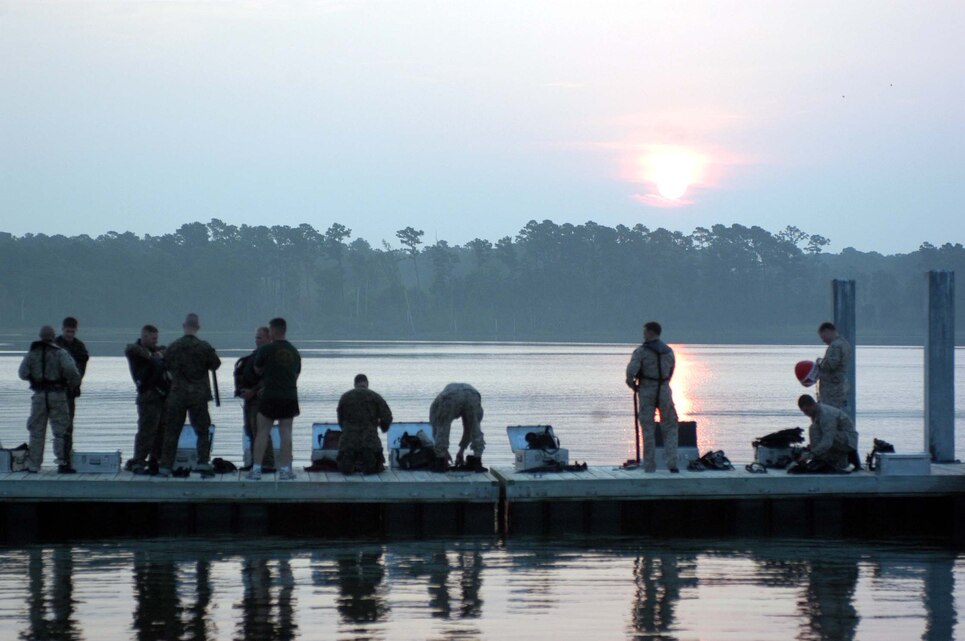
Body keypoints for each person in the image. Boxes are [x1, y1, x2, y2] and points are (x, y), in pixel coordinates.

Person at [157, 313, 221, 478]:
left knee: (171, 431)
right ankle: (202, 462)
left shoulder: (172, 347)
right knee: (202, 430)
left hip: (177, 394)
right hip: (198, 395)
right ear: (198, 327)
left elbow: (164, 365)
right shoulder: (204, 347)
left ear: (183, 325)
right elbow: (216, 364)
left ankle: (165, 466)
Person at [18, 326, 81, 473]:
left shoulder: (32, 353)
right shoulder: (60, 353)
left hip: (39, 395)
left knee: (36, 431)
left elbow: (22, 373)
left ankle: (34, 465)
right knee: (60, 430)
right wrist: (72, 384)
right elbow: (72, 371)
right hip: (57, 394)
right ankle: (62, 462)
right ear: (53, 337)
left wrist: (34, 378)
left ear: (40, 336)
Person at [248, 317, 301, 481]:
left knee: (262, 432)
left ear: (273, 331)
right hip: (289, 395)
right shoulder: (294, 351)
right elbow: (296, 374)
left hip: (270, 395)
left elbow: (257, 370)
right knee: (286, 433)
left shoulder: (266, 349)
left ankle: (256, 469)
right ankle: (285, 470)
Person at [625, 321, 680, 473]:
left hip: (647, 389)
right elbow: (670, 372)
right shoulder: (669, 351)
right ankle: (672, 464)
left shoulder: (641, 352)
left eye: (645, 331)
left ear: (650, 332)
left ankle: (649, 466)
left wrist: (633, 386)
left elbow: (630, 373)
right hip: (664, 390)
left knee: (647, 428)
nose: (643, 334)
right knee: (670, 427)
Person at [125, 324, 169, 475]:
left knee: (161, 430)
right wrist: (155, 357)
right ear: (143, 337)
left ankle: (155, 460)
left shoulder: (156, 350)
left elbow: (166, 352)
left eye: (156, 338)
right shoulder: (135, 352)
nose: (155, 341)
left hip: (161, 396)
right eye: (152, 338)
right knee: (146, 431)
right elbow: (132, 349)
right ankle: (139, 461)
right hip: (147, 395)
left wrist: (160, 354)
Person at [816, 321, 859, 469]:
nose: (823, 340)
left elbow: (831, 365)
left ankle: (835, 459)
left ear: (828, 331)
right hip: (839, 389)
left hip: (831, 392)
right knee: (839, 425)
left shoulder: (835, 346)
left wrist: (819, 363)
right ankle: (848, 459)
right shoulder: (845, 344)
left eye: (823, 336)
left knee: (829, 425)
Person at [234, 326, 274, 471]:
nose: (256, 340)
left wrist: (254, 391)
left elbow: (270, 377)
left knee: (260, 431)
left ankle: (268, 463)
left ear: (269, 338)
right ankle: (255, 462)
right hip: (249, 399)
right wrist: (241, 390)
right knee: (250, 430)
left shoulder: (271, 356)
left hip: (262, 399)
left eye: (260, 337)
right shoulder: (252, 357)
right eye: (256, 337)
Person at [336, 374, 393, 475]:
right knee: (373, 469)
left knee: (345, 469)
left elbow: (340, 420)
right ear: (367, 383)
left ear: (355, 384)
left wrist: (346, 429)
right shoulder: (375, 397)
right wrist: (383, 426)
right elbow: (387, 417)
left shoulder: (345, 397)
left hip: (349, 442)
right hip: (369, 441)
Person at [55, 316, 89, 469]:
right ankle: (60, 458)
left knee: (68, 427)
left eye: (72, 332)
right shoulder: (55, 345)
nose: (70, 334)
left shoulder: (80, 347)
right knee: (58, 427)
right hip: (56, 391)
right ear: (62, 329)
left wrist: (75, 383)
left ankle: (66, 459)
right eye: (67, 331)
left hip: (70, 392)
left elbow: (82, 368)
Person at [429, 383, 485, 473]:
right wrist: (462, 450)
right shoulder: (439, 401)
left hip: (451, 396)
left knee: (443, 426)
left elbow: (438, 429)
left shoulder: (436, 405)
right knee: (475, 428)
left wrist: (443, 453)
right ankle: (477, 463)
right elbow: (469, 430)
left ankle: (440, 464)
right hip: (472, 394)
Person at [797, 394, 859, 472]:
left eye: (806, 410)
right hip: (841, 438)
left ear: (812, 405)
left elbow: (828, 441)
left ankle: (819, 460)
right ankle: (820, 459)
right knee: (814, 428)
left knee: (814, 429)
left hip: (849, 441)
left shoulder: (826, 415)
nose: (805, 414)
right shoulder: (816, 414)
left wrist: (811, 454)